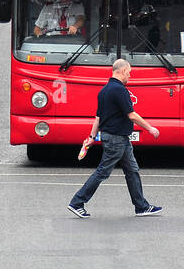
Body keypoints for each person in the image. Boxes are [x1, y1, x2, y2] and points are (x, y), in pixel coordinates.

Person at [68, 58, 162, 218]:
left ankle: (141, 207)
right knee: (102, 172)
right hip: (116, 139)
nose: (130, 76)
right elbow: (132, 115)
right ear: (123, 71)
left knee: (132, 171)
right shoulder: (119, 90)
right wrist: (150, 128)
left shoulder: (104, 91)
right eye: (129, 73)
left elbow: (98, 118)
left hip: (120, 139)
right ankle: (77, 202)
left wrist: (92, 137)